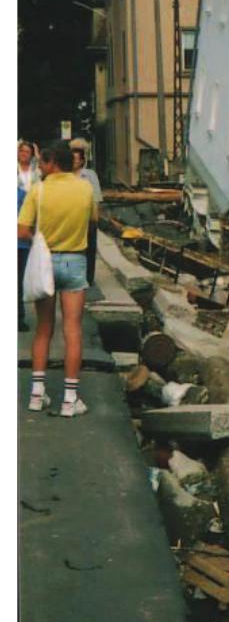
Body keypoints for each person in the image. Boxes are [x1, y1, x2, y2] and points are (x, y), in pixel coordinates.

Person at [17, 141, 97, 418]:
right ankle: (70, 399)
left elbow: (21, 230)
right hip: (75, 261)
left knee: (43, 328)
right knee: (72, 329)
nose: (39, 166)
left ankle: (37, 395)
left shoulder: (38, 190)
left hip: (45, 262)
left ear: (53, 164)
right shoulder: (85, 188)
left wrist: (39, 240)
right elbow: (93, 219)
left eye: (43, 162)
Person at [70, 140, 102, 286]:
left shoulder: (90, 175)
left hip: (88, 217)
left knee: (89, 248)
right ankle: (74, 274)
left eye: (76, 159)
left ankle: (88, 278)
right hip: (71, 217)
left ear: (82, 160)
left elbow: (96, 196)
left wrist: (95, 218)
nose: (73, 162)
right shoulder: (66, 175)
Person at [17, 178, 30, 330]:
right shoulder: (23, 195)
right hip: (20, 245)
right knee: (18, 282)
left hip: (20, 244)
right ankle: (18, 318)